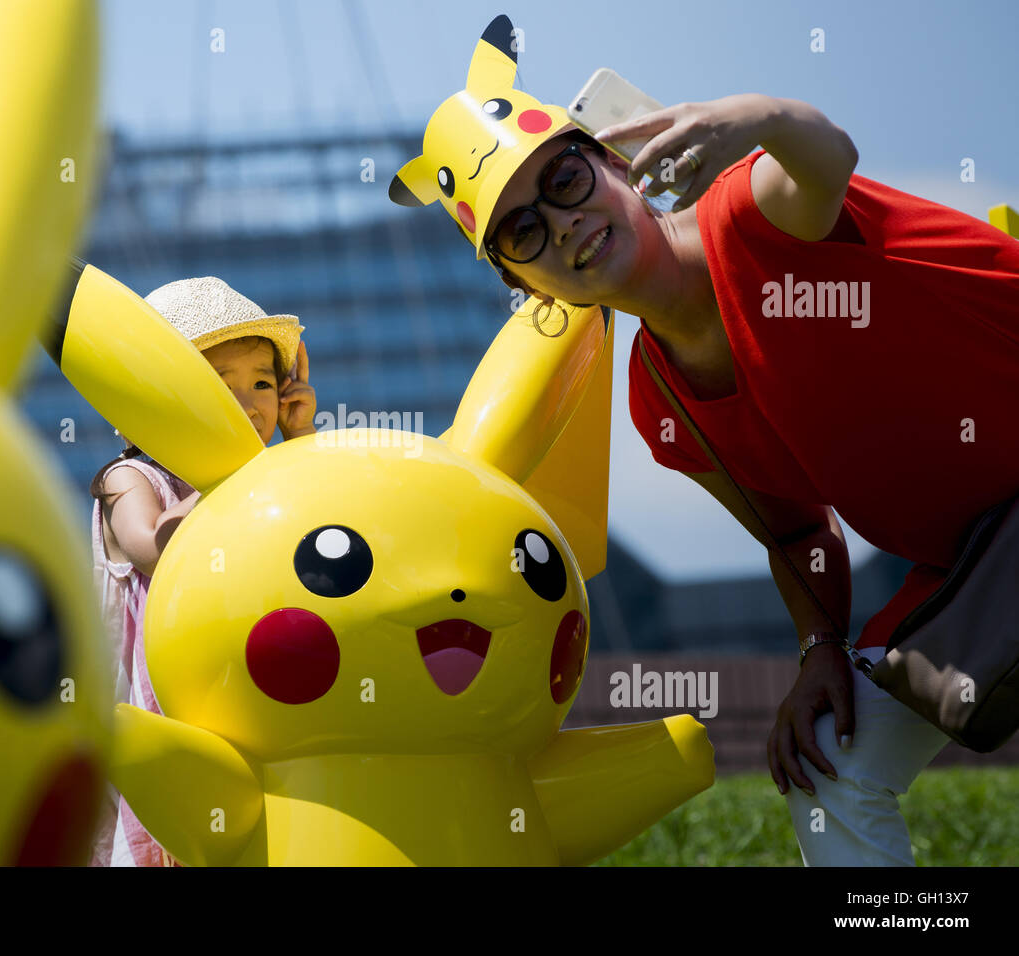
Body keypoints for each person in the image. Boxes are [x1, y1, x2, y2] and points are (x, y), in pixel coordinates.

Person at [390, 17, 1019, 865]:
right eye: (524, 233)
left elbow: (826, 158)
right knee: (832, 768)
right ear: (523, 284)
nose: (562, 225)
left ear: (617, 163)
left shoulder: (750, 211)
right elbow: (794, 530)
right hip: (987, 554)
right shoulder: (661, 403)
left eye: (566, 179)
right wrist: (819, 647)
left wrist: (757, 116)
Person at [88, 276, 317, 866]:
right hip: (162, 717)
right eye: (217, 385)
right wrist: (227, 480)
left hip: (241, 700)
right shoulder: (131, 479)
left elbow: (320, 530)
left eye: (263, 383)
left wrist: (299, 444)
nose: (247, 404)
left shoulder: (265, 479)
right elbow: (153, 545)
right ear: (153, 399)